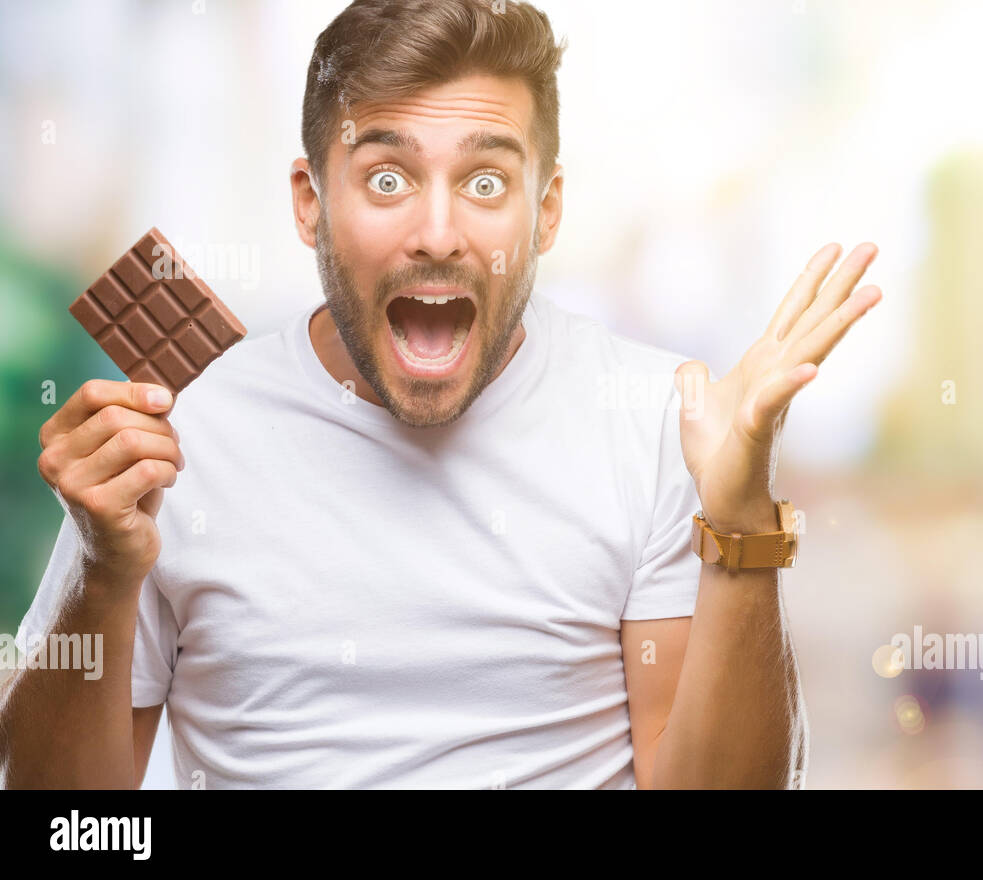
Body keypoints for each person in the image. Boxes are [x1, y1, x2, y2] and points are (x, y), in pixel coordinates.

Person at [0, 0, 881, 789]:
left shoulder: (660, 420)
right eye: (386, 178)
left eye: (486, 181)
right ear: (310, 204)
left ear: (546, 210)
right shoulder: (185, 435)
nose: (436, 233)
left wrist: (741, 519)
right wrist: (103, 569)